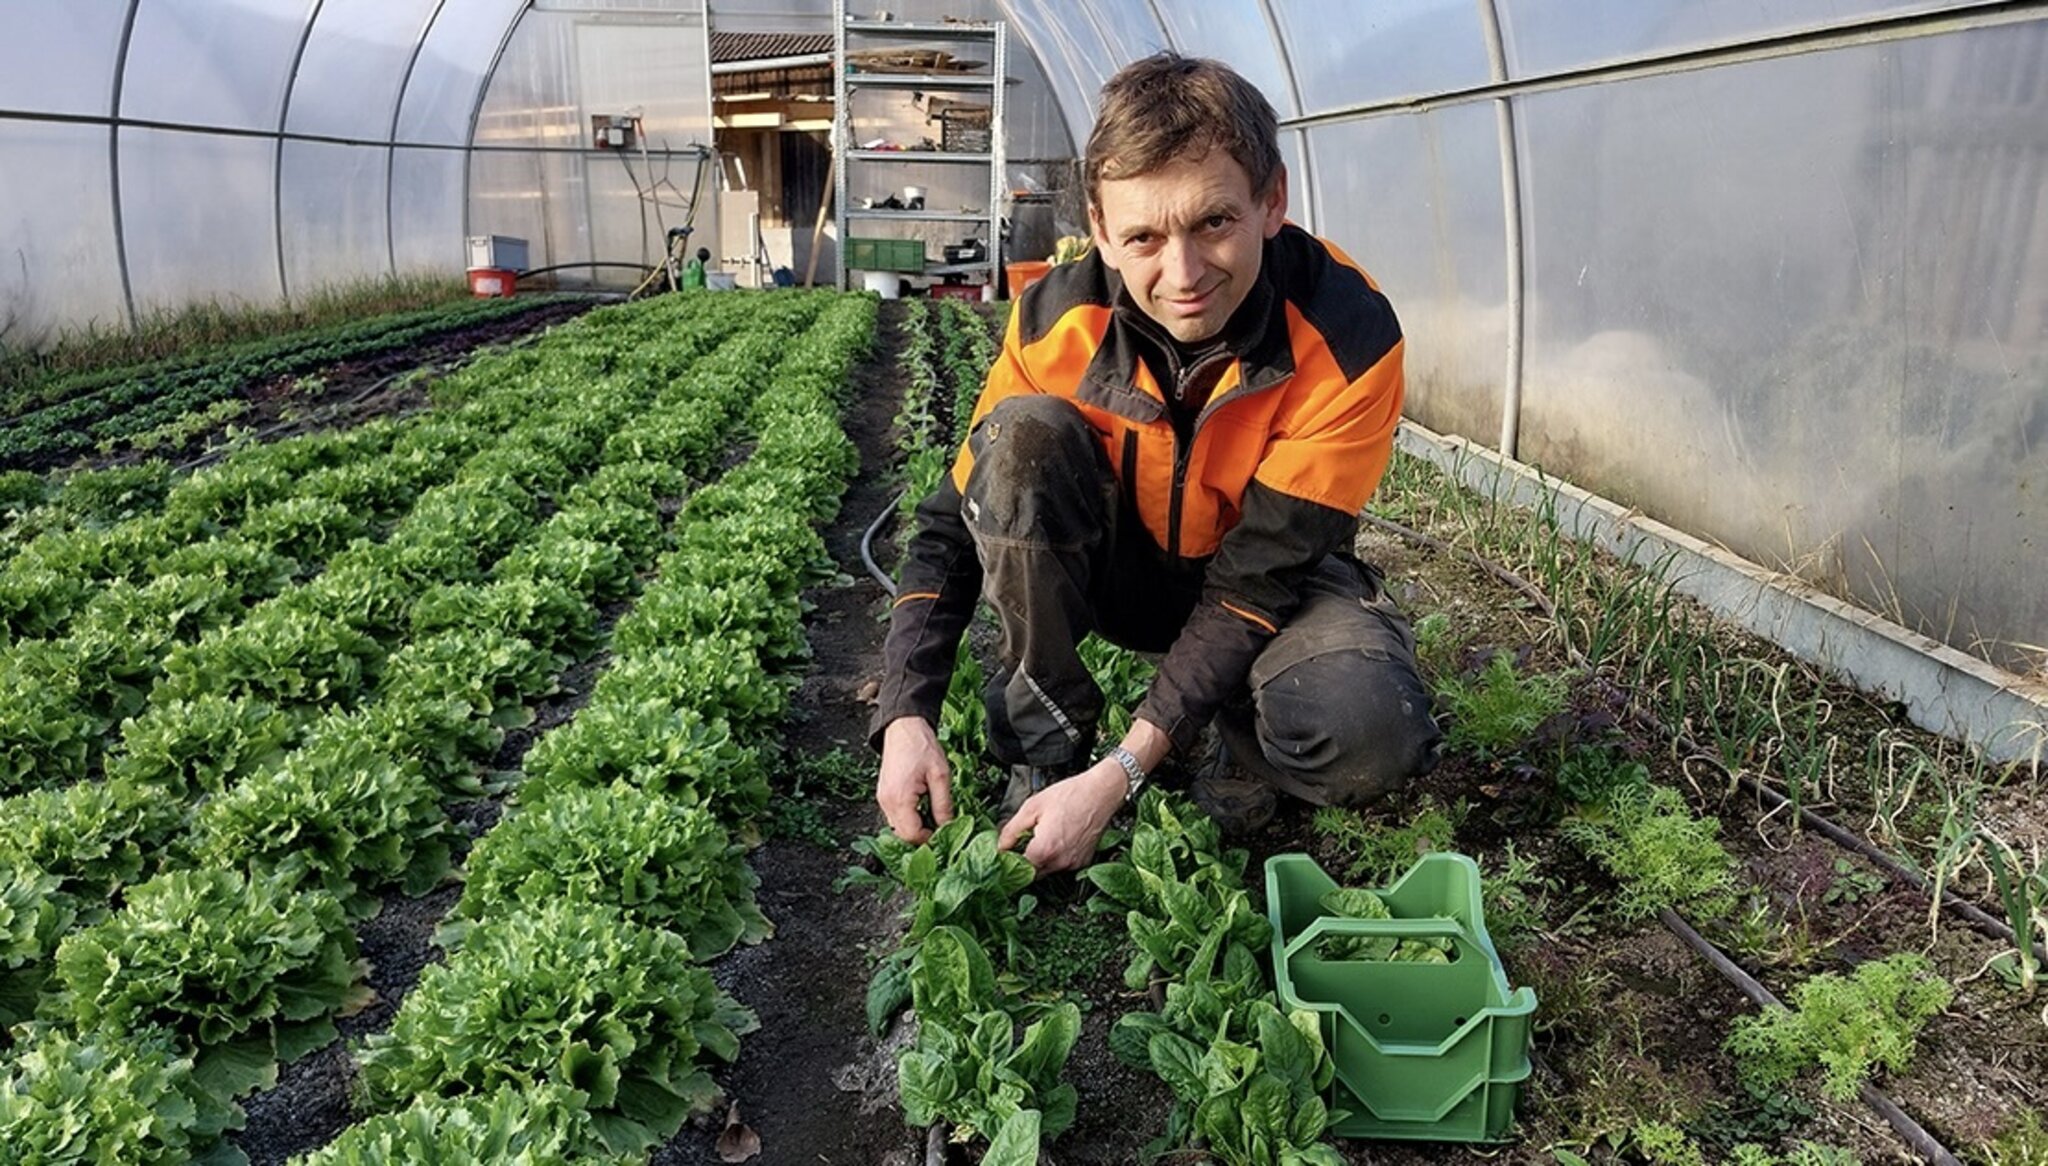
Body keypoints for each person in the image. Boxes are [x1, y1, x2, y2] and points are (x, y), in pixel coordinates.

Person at [871, 52, 1441, 876]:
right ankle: (1046, 755)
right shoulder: (1055, 322)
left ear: (1271, 201)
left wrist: (1126, 769)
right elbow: (947, 530)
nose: (1183, 275)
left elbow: (1256, 584)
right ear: (1101, 230)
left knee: (1368, 731)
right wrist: (906, 712)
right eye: (1143, 236)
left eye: (1214, 222)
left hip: (1267, 581)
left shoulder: (1347, 336)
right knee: (1022, 440)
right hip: (1118, 567)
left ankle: (1231, 737)